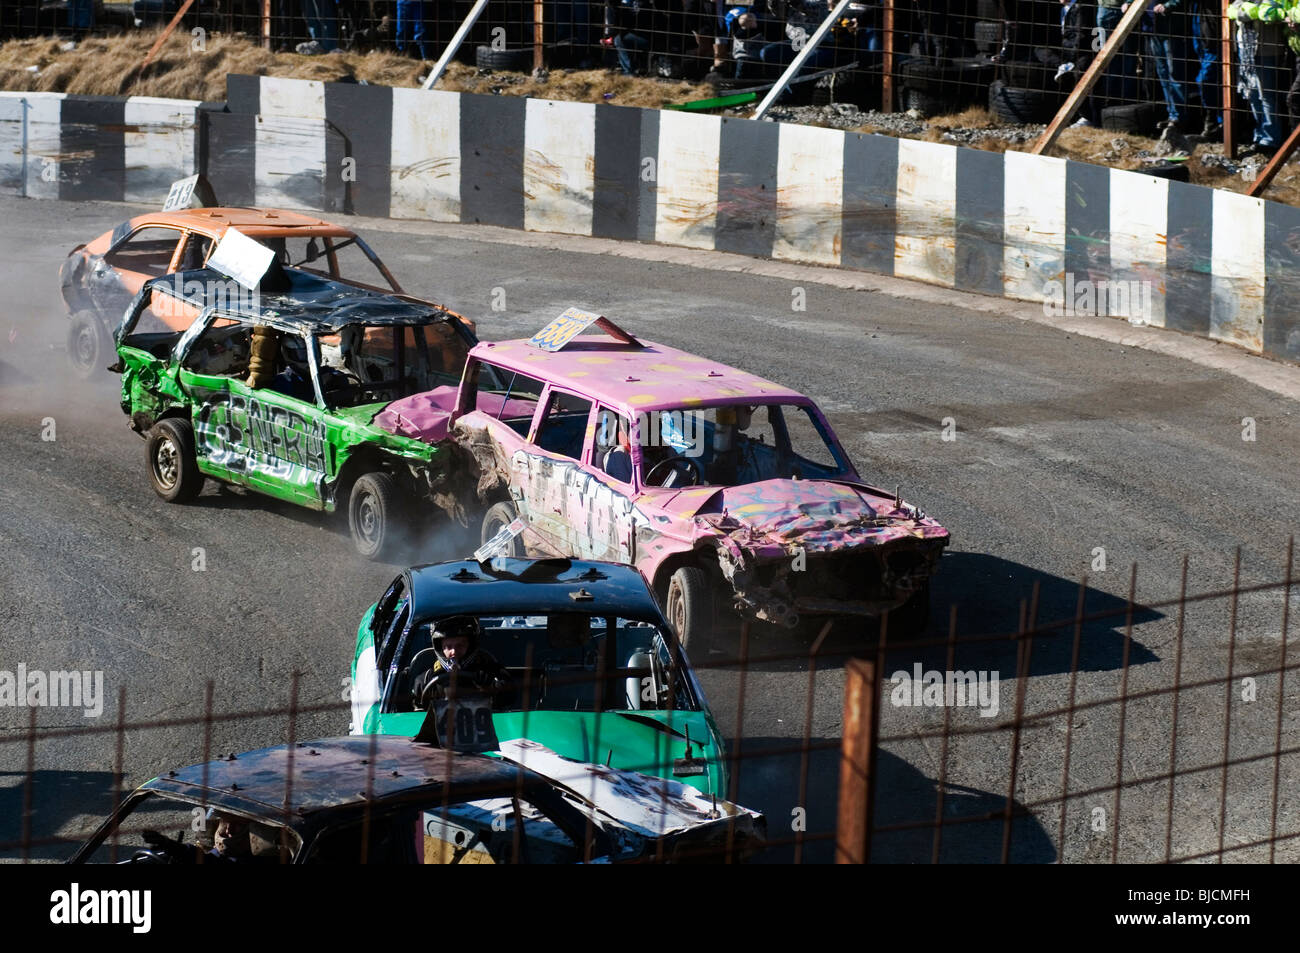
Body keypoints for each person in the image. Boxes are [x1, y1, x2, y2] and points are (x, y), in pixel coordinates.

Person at [412, 616, 510, 709]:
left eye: (460, 645)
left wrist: (490, 687)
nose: (454, 652)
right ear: (440, 648)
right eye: (449, 647)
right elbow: (416, 718)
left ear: (470, 646)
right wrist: (438, 686)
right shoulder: (424, 680)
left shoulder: (494, 674)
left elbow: (509, 702)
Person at [1229, 0, 1287, 154]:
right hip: (1245, 48)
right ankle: (1260, 134)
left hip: (1267, 49)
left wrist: (1249, 11)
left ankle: (1271, 139)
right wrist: (1249, 11)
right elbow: (1233, 9)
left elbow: (1271, 12)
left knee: (1266, 94)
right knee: (1252, 94)